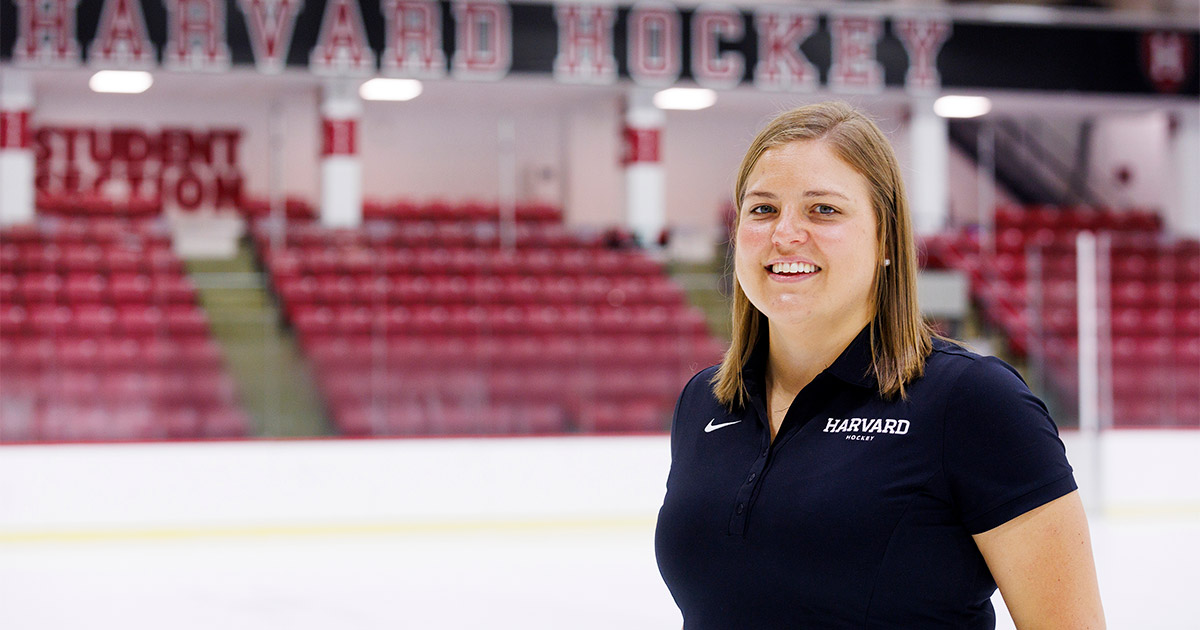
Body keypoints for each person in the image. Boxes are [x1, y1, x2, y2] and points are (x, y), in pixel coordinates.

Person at [654, 102, 1104, 629]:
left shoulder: (973, 403)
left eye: (823, 209)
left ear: (886, 239)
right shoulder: (703, 403)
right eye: (762, 209)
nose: (785, 234)